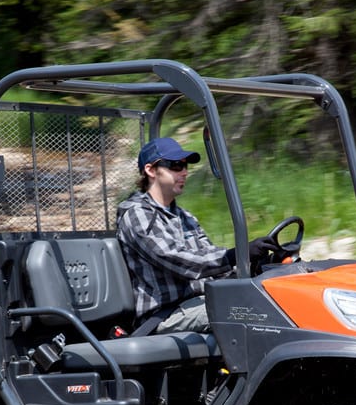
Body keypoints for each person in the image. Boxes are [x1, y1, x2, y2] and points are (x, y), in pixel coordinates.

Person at [116, 137, 278, 334]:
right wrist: (235, 255)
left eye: (185, 166)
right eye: (175, 165)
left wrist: (255, 265)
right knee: (250, 312)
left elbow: (210, 258)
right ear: (150, 170)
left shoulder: (184, 216)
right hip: (165, 315)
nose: (184, 172)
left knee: (275, 299)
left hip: (197, 303)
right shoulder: (137, 214)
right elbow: (175, 259)